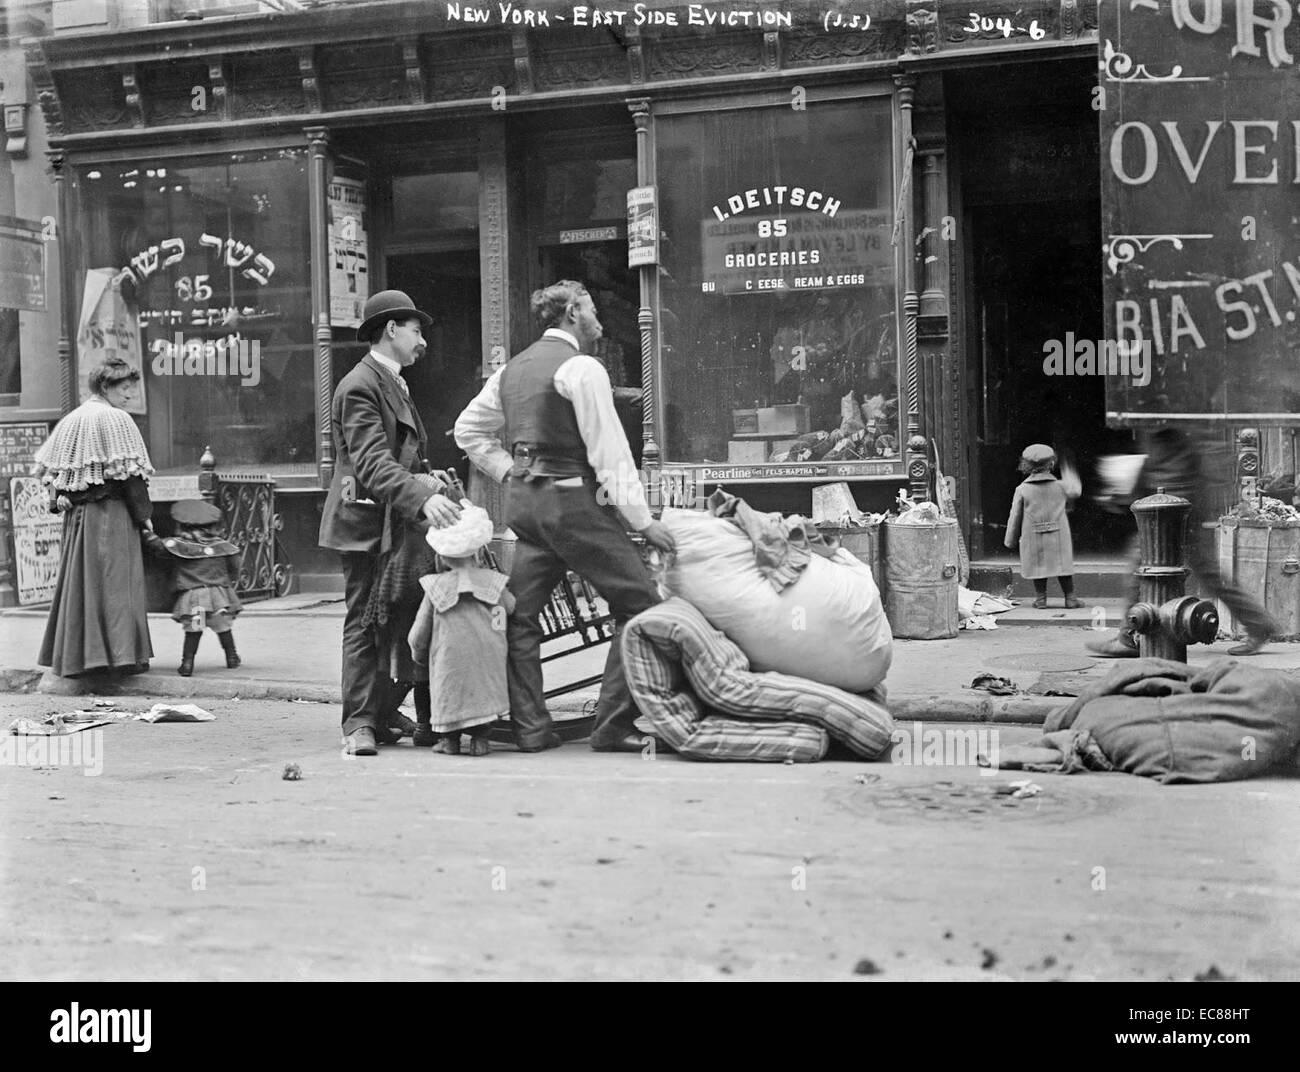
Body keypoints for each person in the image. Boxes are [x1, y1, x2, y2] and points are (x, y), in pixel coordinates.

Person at [455, 279, 676, 753]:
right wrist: (642, 522)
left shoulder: (510, 371)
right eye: (593, 308)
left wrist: (509, 471)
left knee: (521, 617)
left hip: (525, 508)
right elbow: (610, 453)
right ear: (573, 312)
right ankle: (613, 725)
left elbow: (467, 430)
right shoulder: (582, 367)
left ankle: (532, 730)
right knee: (641, 603)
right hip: (572, 504)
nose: (599, 319)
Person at [319, 290, 462, 757]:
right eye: (417, 331)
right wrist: (422, 500)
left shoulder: (390, 381)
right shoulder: (360, 385)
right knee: (365, 621)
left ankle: (380, 711)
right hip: (364, 521)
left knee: (397, 617)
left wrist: (427, 474)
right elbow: (372, 465)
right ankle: (358, 723)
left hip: (389, 520)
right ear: (392, 330)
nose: (423, 342)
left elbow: (400, 457)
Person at [1087, 427, 1276, 658]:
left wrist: (1155, 499)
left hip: (1171, 506)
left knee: (1141, 565)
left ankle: (1128, 638)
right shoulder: (1158, 420)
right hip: (1175, 502)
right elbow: (1157, 463)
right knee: (1208, 574)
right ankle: (1258, 623)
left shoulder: (1165, 420)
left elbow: (1170, 465)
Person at [34, 357, 154, 680]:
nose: (129, 395)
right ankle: (121, 657)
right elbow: (129, 476)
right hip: (112, 515)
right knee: (117, 584)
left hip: (78, 519)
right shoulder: (116, 420)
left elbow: (53, 475)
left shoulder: (72, 420)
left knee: (82, 584)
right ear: (106, 387)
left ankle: (81, 657)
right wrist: (144, 516)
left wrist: (59, 501)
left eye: (131, 388)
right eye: (124, 388)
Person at [407, 501, 512, 756]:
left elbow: (419, 633)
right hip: (487, 657)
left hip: (449, 659)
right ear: (478, 553)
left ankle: (449, 741)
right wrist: (497, 632)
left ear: (440, 557)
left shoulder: (435, 588)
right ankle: (480, 740)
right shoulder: (493, 582)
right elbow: (508, 608)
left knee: (448, 692)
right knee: (482, 693)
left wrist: (419, 654)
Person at [142, 499, 242, 676]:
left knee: (194, 629)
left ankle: (187, 663)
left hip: (195, 599)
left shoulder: (180, 546)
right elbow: (235, 569)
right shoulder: (223, 546)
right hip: (219, 597)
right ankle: (232, 657)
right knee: (223, 627)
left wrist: (147, 533)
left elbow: (158, 546)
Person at [1005, 443, 1083, 609]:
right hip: (1059, 534)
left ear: (1025, 465)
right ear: (1051, 464)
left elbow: (1015, 516)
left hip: (1033, 535)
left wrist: (1010, 540)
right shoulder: (1062, 486)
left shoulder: (1022, 489)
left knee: (1037, 567)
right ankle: (1070, 598)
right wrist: (1067, 466)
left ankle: (1041, 600)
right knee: (1063, 567)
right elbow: (1076, 491)